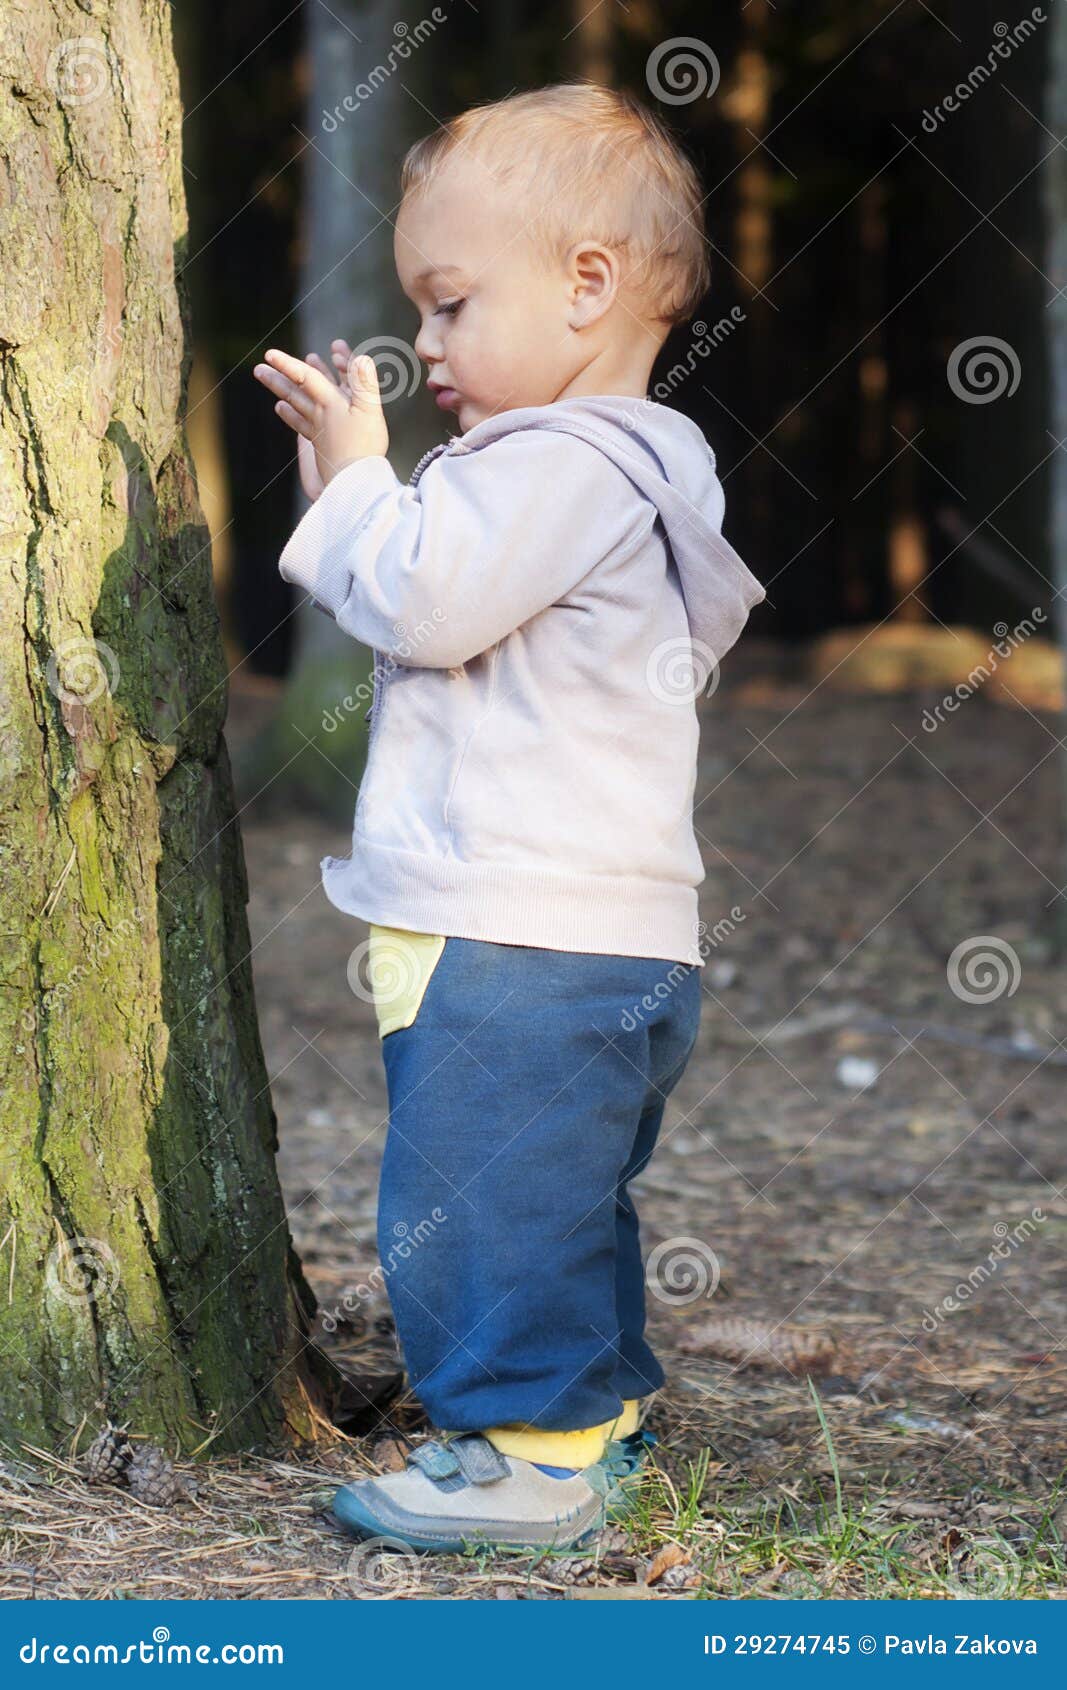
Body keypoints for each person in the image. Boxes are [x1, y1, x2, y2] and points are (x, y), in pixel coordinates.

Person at [252, 82, 765, 1554]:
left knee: (479, 1191)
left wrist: (359, 488)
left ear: (588, 285)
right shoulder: (622, 470)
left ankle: (530, 1454)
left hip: (529, 933)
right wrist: (372, 505)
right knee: (558, 1195)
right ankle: (591, 1411)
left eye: (453, 300)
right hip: (596, 936)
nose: (427, 342)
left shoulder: (564, 461)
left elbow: (426, 595)